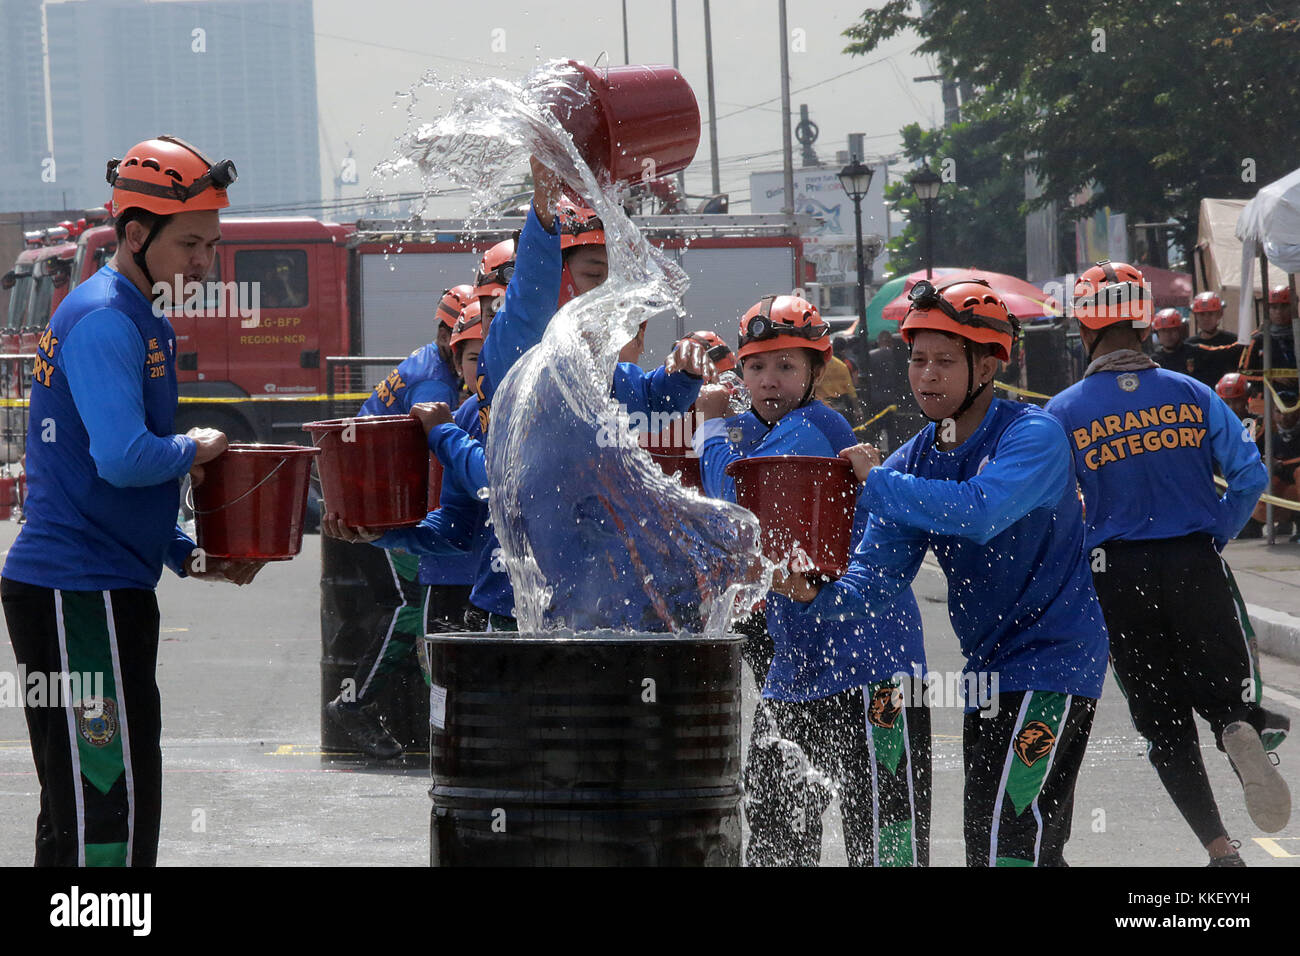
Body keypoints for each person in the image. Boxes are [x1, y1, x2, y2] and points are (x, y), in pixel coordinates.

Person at [772, 277, 1108, 868]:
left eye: (945, 361)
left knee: (1011, 836)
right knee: (996, 845)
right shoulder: (913, 461)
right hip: (987, 671)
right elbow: (873, 584)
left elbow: (981, 512)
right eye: (918, 359)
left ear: (987, 367)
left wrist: (877, 484)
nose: (926, 375)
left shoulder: (1034, 436)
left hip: (1053, 661)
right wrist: (805, 591)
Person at [1, 136, 262, 867]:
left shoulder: (137, 315)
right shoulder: (108, 318)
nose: (203, 264)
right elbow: (122, 459)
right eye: (191, 244)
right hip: (76, 593)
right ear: (137, 233)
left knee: (85, 804)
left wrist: (188, 552)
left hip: (95, 588)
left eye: (211, 246)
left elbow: (107, 471)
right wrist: (197, 447)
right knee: (104, 808)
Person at [1045, 259, 1290, 864]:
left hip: (1117, 576)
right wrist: (1216, 534)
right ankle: (1234, 724)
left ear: (1085, 332)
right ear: (1146, 325)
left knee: (1162, 723)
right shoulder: (1192, 393)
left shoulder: (1064, 411)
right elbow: (1249, 474)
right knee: (1222, 694)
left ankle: (1220, 847)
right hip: (1194, 562)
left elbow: (1049, 506)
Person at [693, 294, 929, 867]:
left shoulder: (812, 428)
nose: (769, 380)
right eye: (756, 366)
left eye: (786, 366)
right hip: (802, 660)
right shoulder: (761, 426)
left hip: (869, 660)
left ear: (817, 372)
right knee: (778, 820)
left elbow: (732, 516)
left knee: (882, 834)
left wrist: (708, 427)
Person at [324, 287, 474, 758]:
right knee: (411, 607)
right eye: (463, 343)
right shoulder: (435, 386)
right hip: (379, 504)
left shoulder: (430, 362)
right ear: (447, 338)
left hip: (379, 495)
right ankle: (357, 704)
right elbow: (437, 467)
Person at [1188, 291, 1243, 389]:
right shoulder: (1189, 346)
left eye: (1210, 314)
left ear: (1220, 314)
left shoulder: (1234, 343)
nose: (1206, 319)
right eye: (1201, 314)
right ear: (1195, 316)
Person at [1151, 307, 1197, 375]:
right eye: (1163, 331)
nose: (1168, 335)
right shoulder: (1154, 361)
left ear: (1180, 330)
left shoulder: (1195, 353)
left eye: (1172, 330)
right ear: (1157, 334)